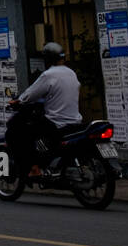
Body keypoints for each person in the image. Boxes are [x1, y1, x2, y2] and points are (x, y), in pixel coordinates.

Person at [10, 42, 82, 176]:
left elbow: (31, 93)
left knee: (23, 132)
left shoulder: (49, 75)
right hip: (74, 121)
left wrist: (18, 100)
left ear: (47, 59)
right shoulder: (71, 73)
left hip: (55, 122)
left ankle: (34, 167)